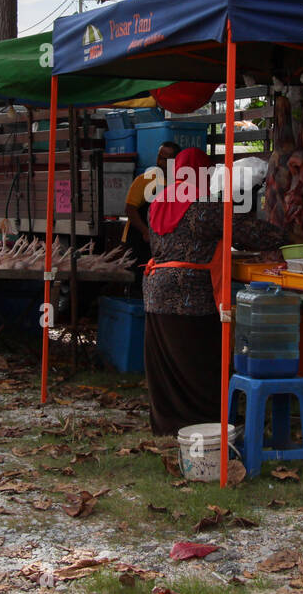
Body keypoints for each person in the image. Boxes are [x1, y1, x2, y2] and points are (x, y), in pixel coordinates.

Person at [143, 147, 287, 435]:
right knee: (200, 362)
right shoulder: (202, 207)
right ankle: (204, 424)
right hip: (190, 295)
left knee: (170, 365)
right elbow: (248, 233)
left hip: (155, 290)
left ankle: (169, 424)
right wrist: (286, 234)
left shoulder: (159, 201)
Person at [122, 140, 180, 287]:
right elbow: (130, 209)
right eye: (160, 157)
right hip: (139, 242)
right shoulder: (144, 180)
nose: (161, 162)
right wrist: (145, 231)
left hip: (164, 246)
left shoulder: (178, 184)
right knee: (137, 283)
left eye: (166, 159)